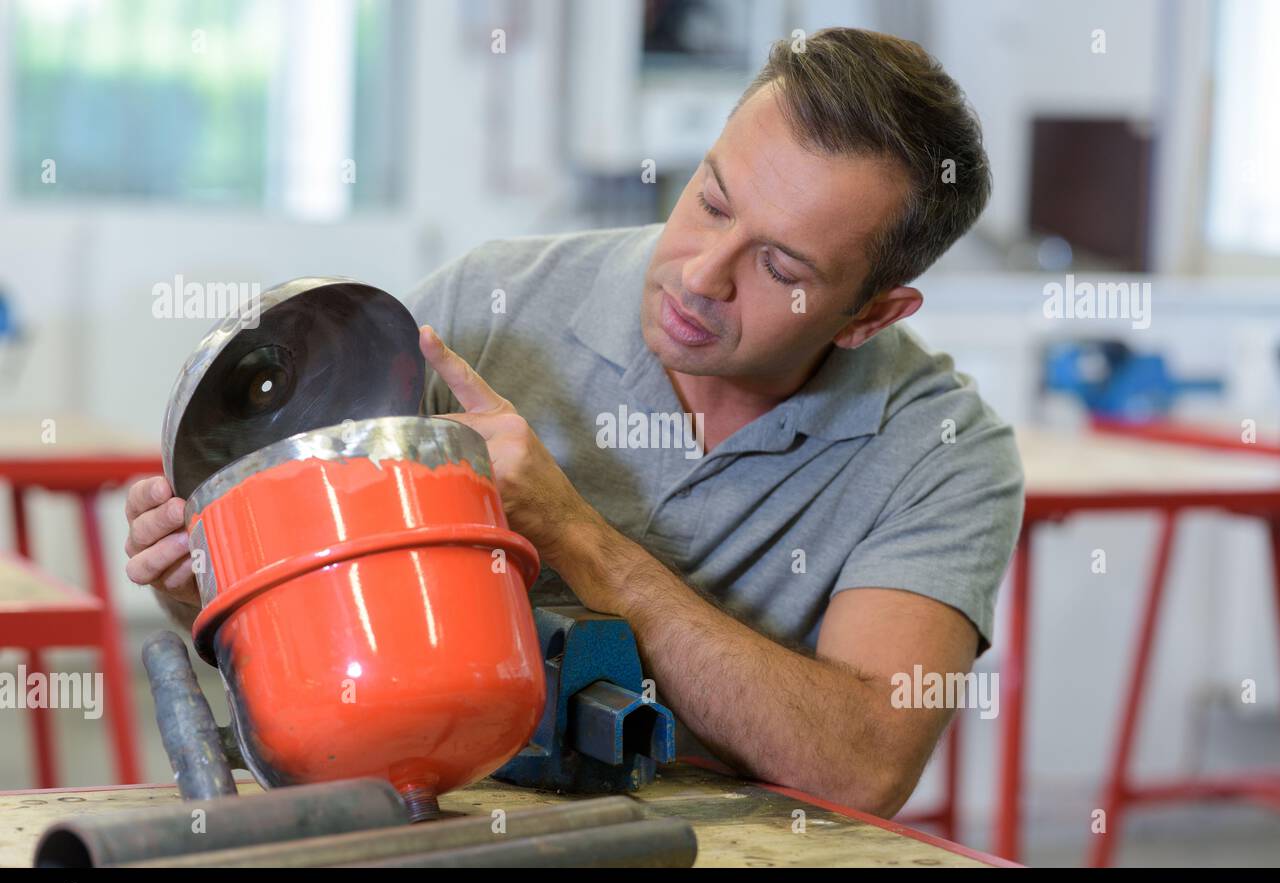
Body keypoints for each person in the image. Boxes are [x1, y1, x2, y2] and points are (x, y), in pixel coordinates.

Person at [125, 28, 1023, 816]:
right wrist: (203, 584)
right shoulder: (490, 308)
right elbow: (320, 635)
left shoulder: (945, 455)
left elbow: (861, 766)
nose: (702, 276)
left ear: (871, 315)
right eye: (711, 201)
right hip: (442, 818)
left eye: (780, 265)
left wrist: (574, 534)